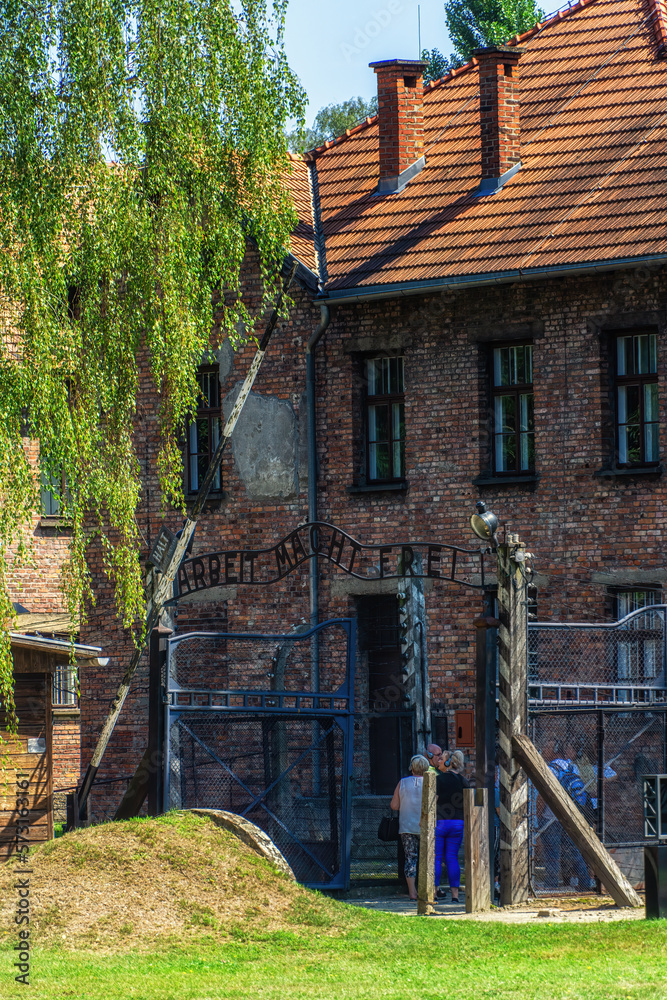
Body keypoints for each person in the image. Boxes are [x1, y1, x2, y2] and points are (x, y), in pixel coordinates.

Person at [539, 740, 595, 891]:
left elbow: (543, 796)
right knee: (574, 851)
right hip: (570, 817)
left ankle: (551, 885)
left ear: (555, 749)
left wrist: (538, 816)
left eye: (546, 747)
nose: (542, 750)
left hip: (551, 817)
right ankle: (585, 884)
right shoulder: (573, 767)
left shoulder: (550, 769)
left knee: (552, 853)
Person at [390, 754, 430, 901]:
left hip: (406, 826)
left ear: (411, 768)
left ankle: (412, 892)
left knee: (410, 858)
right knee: (427, 858)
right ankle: (427, 889)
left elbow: (394, 806)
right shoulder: (430, 782)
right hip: (425, 825)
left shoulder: (402, 783)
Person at [434, 749, 469, 902]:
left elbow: (433, 800)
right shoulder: (463, 781)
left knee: (436, 858)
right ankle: (455, 895)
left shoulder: (439, 779)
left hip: (440, 822)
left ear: (448, 763)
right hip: (457, 823)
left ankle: (433, 892)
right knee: (452, 858)